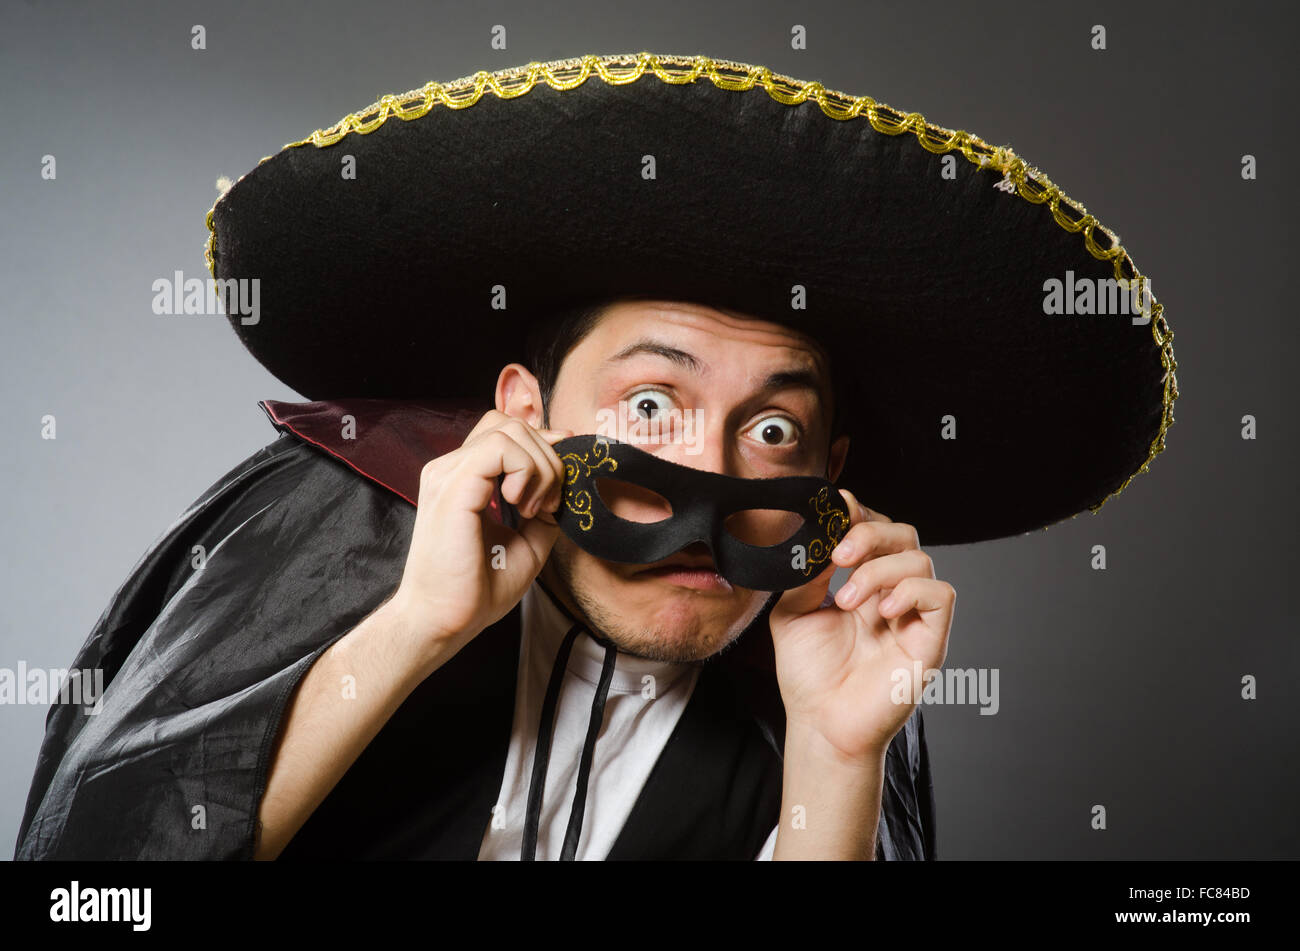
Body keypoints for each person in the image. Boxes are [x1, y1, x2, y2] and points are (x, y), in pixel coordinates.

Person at [15, 52, 1175, 861]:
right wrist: (415, 628)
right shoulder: (342, 519)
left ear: (831, 472)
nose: (706, 469)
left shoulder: (821, 648)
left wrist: (831, 753)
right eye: (651, 401)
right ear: (523, 408)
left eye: (771, 429)